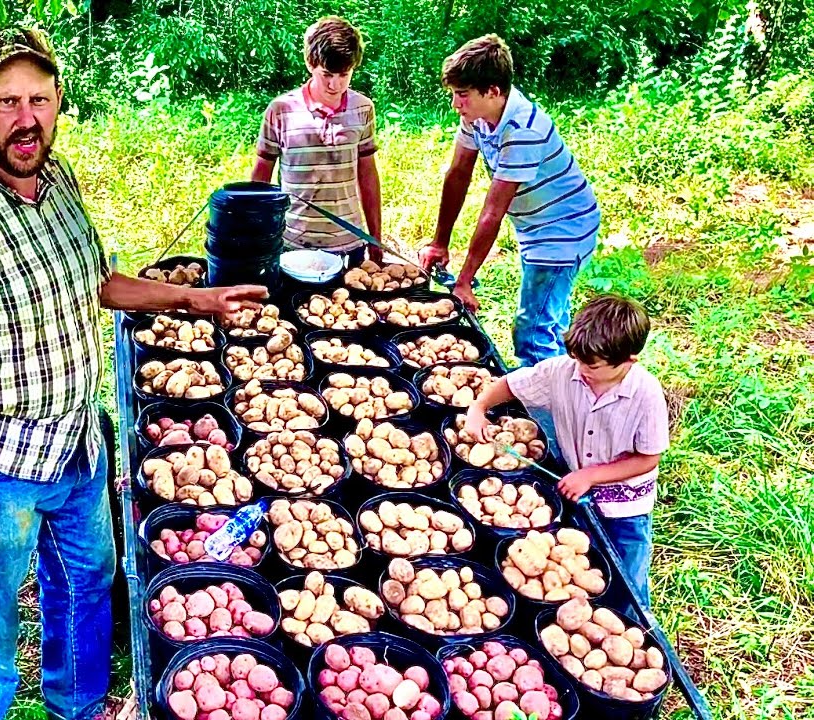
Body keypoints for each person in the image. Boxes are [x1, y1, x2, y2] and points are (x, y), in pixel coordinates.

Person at [0, 27, 267, 720]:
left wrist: (195, 298)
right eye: (7, 101)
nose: (26, 118)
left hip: (78, 444)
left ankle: (80, 705)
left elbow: (99, 282)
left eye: (39, 98)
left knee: (87, 583)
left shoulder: (57, 180)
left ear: (60, 99)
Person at [464, 295, 668, 608]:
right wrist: (478, 408)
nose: (582, 368)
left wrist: (591, 475)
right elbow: (512, 384)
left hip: (625, 505)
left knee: (628, 572)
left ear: (628, 360)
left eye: (593, 365)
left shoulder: (646, 394)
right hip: (575, 491)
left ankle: (634, 621)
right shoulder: (562, 371)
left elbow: (648, 458)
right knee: (582, 562)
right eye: (576, 358)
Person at [420, 34, 601, 368]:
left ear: (493, 91)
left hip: (563, 229)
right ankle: (567, 382)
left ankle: (545, 414)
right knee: (549, 318)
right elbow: (458, 174)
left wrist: (464, 281)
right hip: (535, 223)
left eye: (462, 95)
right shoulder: (477, 117)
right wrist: (439, 243)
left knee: (533, 332)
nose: (455, 105)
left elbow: (493, 212)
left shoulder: (523, 130)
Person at [252, 16, 381, 263]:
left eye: (344, 74)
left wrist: (375, 238)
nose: (335, 84)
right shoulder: (281, 110)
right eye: (327, 74)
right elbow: (261, 177)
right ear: (310, 64)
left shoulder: (363, 109)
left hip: (348, 243)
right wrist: (258, 234)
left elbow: (367, 175)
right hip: (293, 243)